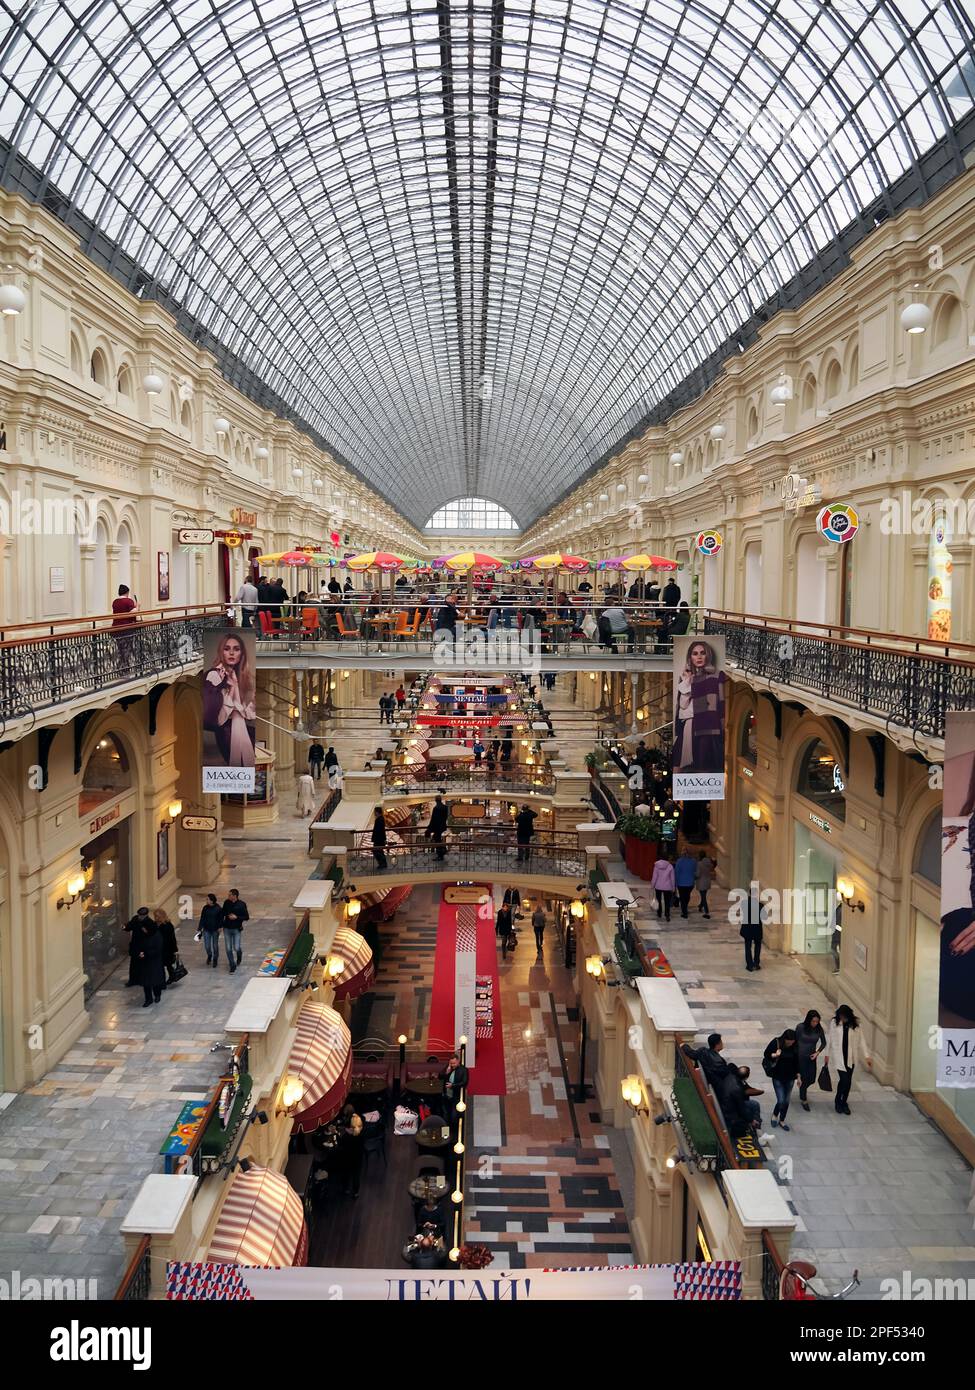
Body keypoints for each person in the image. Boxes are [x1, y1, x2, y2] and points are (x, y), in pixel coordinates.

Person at [202, 633, 256, 766]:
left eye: (236, 649)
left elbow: (248, 713)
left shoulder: (239, 675)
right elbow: (218, 717)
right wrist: (230, 690)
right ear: (221, 652)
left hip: (241, 728)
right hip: (226, 732)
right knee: (237, 765)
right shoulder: (214, 675)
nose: (231, 653)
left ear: (241, 653)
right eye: (227, 649)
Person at [673, 639, 726, 774]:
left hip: (709, 728)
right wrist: (688, 681)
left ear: (708, 655)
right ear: (690, 657)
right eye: (695, 653)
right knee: (679, 766)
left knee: (704, 768)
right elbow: (683, 705)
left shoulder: (717, 675)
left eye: (702, 653)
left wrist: (723, 728)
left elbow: (721, 703)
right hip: (689, 726)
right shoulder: (686, 677)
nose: (699, 656)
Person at [826, 1004, 869, 1116]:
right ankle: (837, 1101)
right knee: (845, 1080)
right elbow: (830, 1038)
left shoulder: (855, 1024)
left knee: (847, 1081)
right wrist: (827, 1053)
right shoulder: (834, 1023)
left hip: (851, 1058)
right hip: (839, 1057)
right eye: (841, 1016)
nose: (842, 1018)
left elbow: (862, 1040)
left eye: (844, 1016)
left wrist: (867, 1055)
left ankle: (844, 1102)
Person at [764, 1029, 800, 1130]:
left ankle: (782, 1119)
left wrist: (799, 1076)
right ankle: (775, 1115)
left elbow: (797, 1062)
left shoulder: (795, 1046)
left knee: (786, 1100)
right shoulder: (776, 1043)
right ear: (785, 1039)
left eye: (792, 1041)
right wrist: (775, 1055)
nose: (791, 1043)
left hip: (790, 1077)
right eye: (789, 1041)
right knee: (781, 1100)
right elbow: (766, 1054)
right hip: (778, 1076)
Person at [796, 1009, 827, 1111]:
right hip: (800, 1057)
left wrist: (817, 1053)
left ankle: (802, 1088)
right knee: (804, 1078)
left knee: (812, 1079)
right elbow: (795, 1041)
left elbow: (823, 1043)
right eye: (813, 1021)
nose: (815, 1023)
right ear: (809, 1020)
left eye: (817, 1021)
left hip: (811, 1057)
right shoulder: (801, 1027)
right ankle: (803, 1098)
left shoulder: (819, 1029)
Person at [136, 917, 165, 1007]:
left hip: (154, 961)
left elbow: (158, 949)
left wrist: (146, 954)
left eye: (144, 928)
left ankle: (157, 995)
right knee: (146, 982)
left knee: (155, 980)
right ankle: (148, 999)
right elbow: (138, 944)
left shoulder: (156, 935)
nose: (143, 930)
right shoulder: (143, 935)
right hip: (145, 962)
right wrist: (139, 952)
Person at [337, 1104, 364, 1197]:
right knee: (356, 1174)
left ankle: (346, 1189)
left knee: (346, 1173)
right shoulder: (360, 1133)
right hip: (358, 1157)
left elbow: (340, 1145)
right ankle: (356, 1192)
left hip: (348, 1157)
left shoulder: (346, 1137)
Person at [221, 888, 249, 972]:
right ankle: (232, 965)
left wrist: (236, 917)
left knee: (236, 947)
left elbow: (246, 917)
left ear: (234, 896)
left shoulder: (242, 904)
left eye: (230, 895)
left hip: (236, 929)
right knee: (228, 948)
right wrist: (227, 915)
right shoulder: (226, 902)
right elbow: (223, 912)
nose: (228, 896)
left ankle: (239, 955)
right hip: (227, 928)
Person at [124, 905, 151, 985]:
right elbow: (129, 926)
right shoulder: (135, 919)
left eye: (141, 916)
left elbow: (151, 934)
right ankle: (132, 980)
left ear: (145, 915)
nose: (139, 917)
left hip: (143, 946)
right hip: (135, 945)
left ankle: (142, 979)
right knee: (133, 964)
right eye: (139, 915)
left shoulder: (149, 922)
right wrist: (125, 927)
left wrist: (145, 930)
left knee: (143, 964)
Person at [740, 883, 764, 971]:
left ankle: (749, 965)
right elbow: (764, 917)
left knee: (748, 946)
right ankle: (756, 963)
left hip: (748, 928)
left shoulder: (744, 903)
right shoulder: (761, 905)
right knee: (758, 946)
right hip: (757, 929)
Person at [153, 907, 179, 986]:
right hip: (158, 949)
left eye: (157, 916)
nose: (156, 918)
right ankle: (162, 981)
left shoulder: (168, 925)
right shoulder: (154, 925)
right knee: (160, 966)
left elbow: (172, 938)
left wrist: (174, 949)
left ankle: (171, 976)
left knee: (168, 965)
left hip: (167, 949)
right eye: (155, 916)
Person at [439, 1053, 469, 1120]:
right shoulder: (448, 1067)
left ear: (458, 1061)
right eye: (451, 1063)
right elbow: (439, 1076)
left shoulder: (464, 1070)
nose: (452, 1065)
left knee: (454, 1116)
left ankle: (454, 1128)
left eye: (454, 1063)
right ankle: (447, 1128)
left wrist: (453, 1085)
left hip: (456, 1097)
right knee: (445, 1114)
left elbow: (464, 1082)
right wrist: (446, 1072)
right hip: (446, 1096)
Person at [199, 893, 222, 968]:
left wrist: (220, 927)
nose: (206, 900)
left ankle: (215, 958)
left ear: (212, 901)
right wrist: (199, 928)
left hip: (215, 930)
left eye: (207, 899)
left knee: (215, 946)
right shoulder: (205, 908)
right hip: (206, 929)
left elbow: (221, 919)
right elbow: (202, 918)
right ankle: (209, 955)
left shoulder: (218, 908)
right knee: (207, 946)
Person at [674, 847, 698, 919]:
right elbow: (695, 871)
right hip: (690, 882)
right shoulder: (693, 861)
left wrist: (675, 882)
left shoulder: (679, 861)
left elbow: (676, 872)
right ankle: (685, 909)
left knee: (682, 897)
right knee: (687, 896)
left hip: (681, 883)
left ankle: (684, 911)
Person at [651, 851, 675, 921]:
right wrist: (673, 887)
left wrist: (652, 885)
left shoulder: (657, 865)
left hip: (658, 886)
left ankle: (659, 913)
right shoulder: (670, 866)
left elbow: (654, 876)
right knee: (667, 901)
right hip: (667, 887)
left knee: (658, 900)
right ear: (667, 858)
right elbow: (672, 878)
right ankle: (667, 915)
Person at [426, 793, 449, 860]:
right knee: (437, 839)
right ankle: (443, 851)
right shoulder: (445, 807)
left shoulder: (436, 808)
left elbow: (433, 819)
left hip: (437, 827)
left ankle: (440, 854)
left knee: (437, 840)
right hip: (442, 826)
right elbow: (446, 817)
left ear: (436, 800)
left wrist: (429, 828)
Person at [695, 852, 715, 918]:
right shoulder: (709, 863)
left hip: (701, 882)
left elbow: (697, 874)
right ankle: (700, 906)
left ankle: (706, 911)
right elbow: (712, 868)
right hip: (707, 881)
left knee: (703, 897)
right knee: (703, 895)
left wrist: (694, 875)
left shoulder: (699, 864)